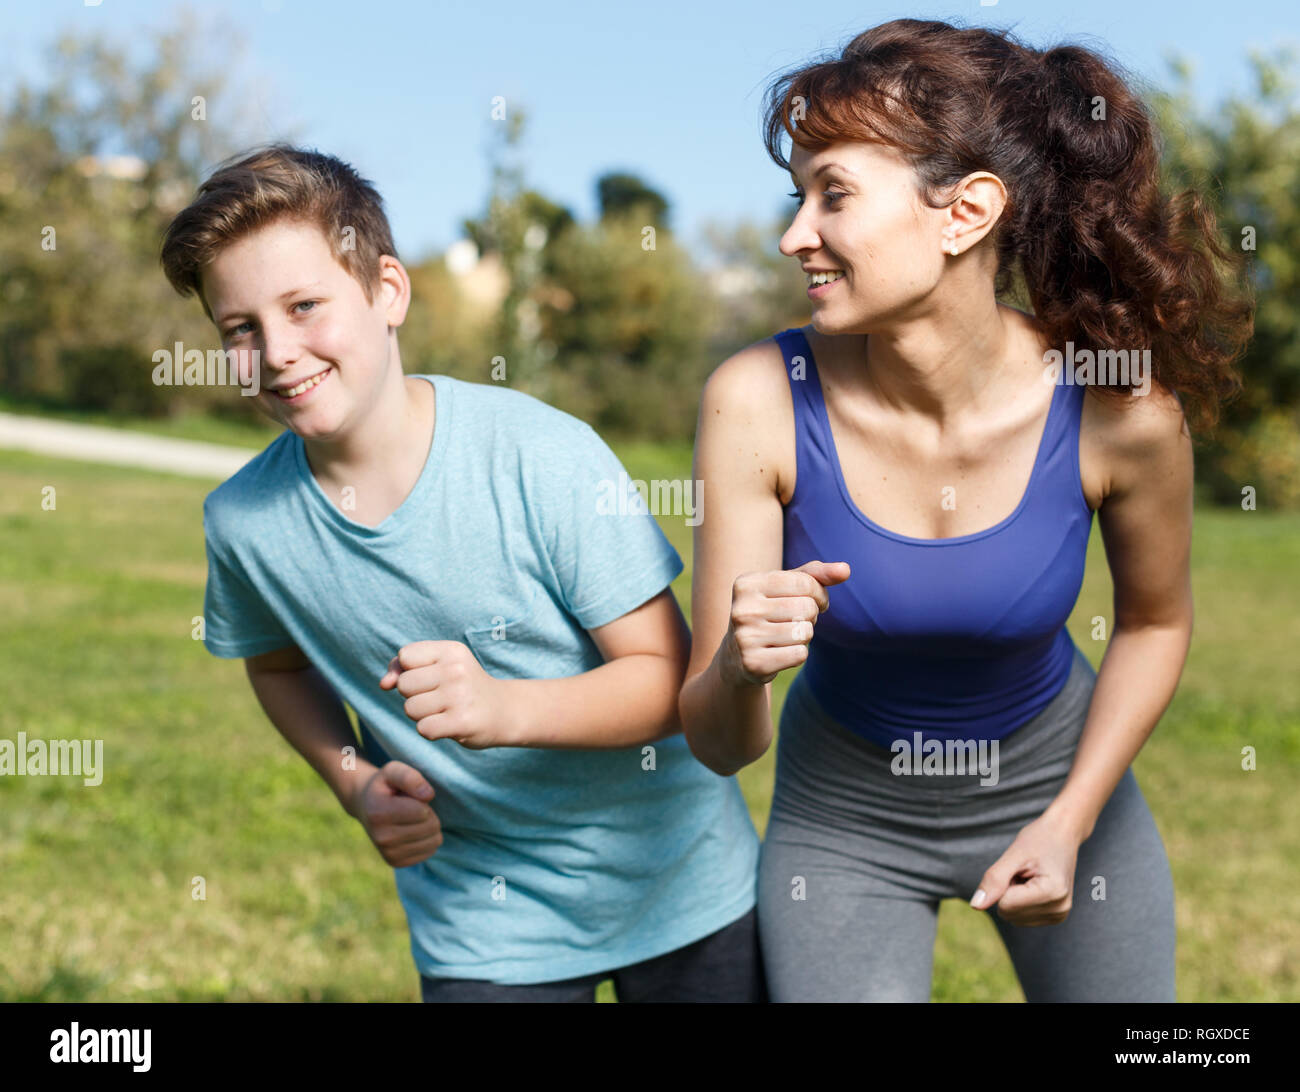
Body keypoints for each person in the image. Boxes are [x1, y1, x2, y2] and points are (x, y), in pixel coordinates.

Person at [678, 19, 1252, 1002]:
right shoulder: (754, 400)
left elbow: (1155, 622)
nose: (792, 236)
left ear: (965, 213)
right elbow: (720, 741)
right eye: (796, 195)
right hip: (842, 818)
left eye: (835, 195)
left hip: (1056, 783)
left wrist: (1071, 819)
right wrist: (736, 663)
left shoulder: (1120, 410)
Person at [160, 144, 762, 1002]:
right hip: (483, 919)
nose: (278, 350)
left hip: (681, 884)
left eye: (304, 306)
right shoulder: (244, 522)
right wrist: (355, 783)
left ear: (388, 292)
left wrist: (505, 706)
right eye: (240, 328)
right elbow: (278, 665)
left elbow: (673, 682)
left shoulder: (540, 456)